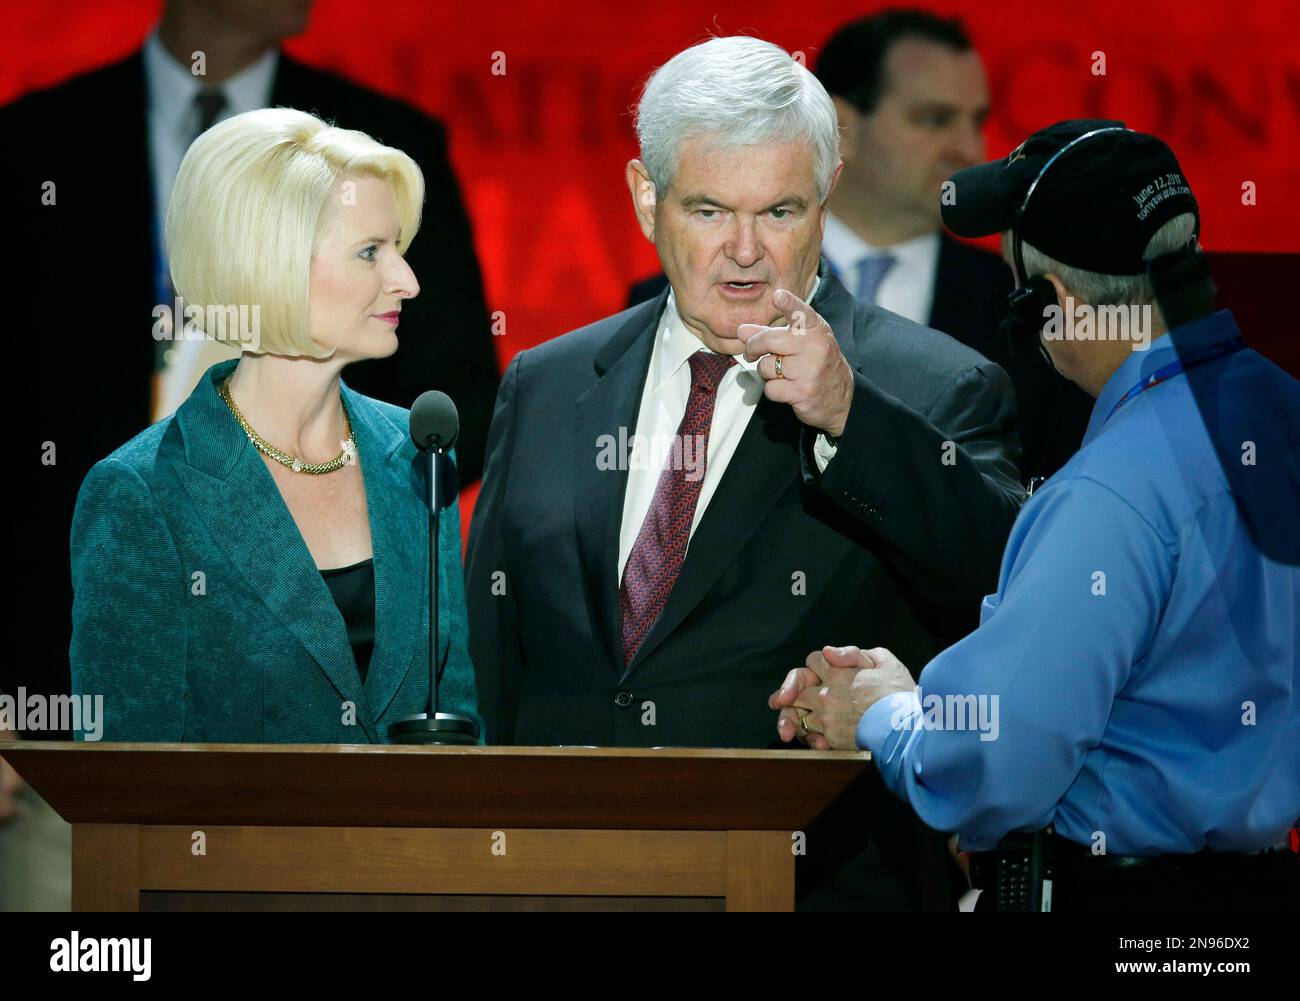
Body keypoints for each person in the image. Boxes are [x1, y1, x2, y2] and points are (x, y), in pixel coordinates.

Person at [466, 36, 1024, 909]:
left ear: (827, 195)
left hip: (813, 889)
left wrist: (849, 412)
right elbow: (492, 658)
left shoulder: (930, 386)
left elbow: (1001, 576)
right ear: (645, 197)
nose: (744, 252)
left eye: (779, 211)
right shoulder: (548, 384)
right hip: (558, 882)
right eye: (709, 210)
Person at [771, 120, 1300, 911]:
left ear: (1052, 305)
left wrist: (883, 712)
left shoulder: (1111, 491)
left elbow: (994, 767)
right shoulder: (1283, 411)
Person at [4, 0, 498, 738]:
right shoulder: (140, 491)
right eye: (370, 253)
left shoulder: (414, 456)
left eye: (400, 248)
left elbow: (456, 724)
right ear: (271, 262)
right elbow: (134, 799)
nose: (408, 281)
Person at [628, 9, 1094, 488]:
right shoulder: (662, 303)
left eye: (975, 120)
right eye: (934, 118)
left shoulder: (1029, 312)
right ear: (844, 126)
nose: (968, 148)